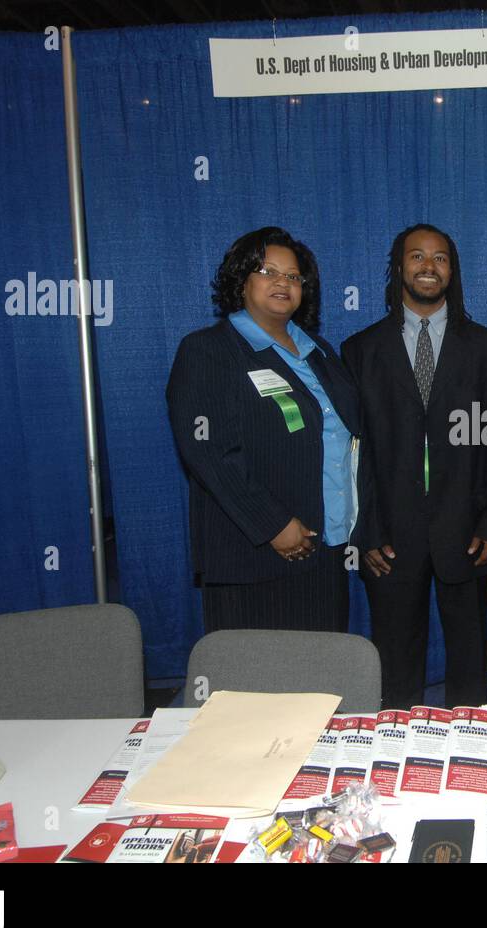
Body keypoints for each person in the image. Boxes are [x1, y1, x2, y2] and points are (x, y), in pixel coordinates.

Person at [342, 224, 487, 709]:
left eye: (440, 259)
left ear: (452, 272)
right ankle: (397, 756)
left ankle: (472, 754)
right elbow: (354, 451)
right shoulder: (360, 351)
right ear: (398, 267)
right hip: (389, 537)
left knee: (469, 664)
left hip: (468, 530)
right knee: (395, 665)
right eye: (416, 256)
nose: (428, 266)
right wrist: (367, 528)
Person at [166, 227, 361, 634]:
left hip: (326, 545)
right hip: (256, 551)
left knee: (321, 680)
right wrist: (272, 524)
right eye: (267, 271)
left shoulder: (319, 350)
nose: (282, 283)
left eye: (293, 276)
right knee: (256, 687)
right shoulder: (210, 350)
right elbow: (208, 451)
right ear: (241, 280)